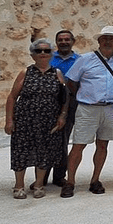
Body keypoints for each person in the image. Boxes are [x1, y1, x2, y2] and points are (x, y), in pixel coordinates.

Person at [63, 26, 113, 198]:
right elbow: (71, 81)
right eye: (105, 38)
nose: (108, 41)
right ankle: (70, 182)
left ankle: (95, 180)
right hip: (88, 108)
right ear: (99, 41)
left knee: (103, 145)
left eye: (111, 38)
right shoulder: (85, 59)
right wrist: (85, 95)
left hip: (110, 109)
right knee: (79, 145)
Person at [4, 38, 69, 199]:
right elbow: (12, 97)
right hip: (25, 120)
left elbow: (64, 98)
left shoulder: (57, 73)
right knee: (21, 151)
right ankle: (19, 186)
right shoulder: (25, 73)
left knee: (44, 152)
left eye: (47, 51)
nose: (43, 54)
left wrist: (62, 116)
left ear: (51, 54)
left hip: (48, 121)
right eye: (39, 51)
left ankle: (39, 185)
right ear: (32, 55)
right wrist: (9, 120)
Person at [48, 30, 80, 186]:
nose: (64, 42)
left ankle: (59, 176)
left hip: (72, 102)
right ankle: (42, 176)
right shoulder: (48, 58)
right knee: (46, 139)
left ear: (73, 41)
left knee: (63, 139)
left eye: (67, 39)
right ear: (56, 42)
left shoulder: (80, 60)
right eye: (60, 40)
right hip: (49, 102)